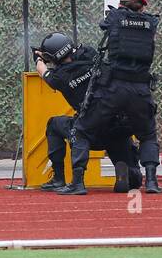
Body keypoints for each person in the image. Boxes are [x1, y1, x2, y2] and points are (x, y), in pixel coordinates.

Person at [65, 0, 162, 194]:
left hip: (114, 88)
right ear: (141, 6)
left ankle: (77, 183)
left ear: (122, 3)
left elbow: (105, 26)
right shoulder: (151, 23)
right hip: (141, 89)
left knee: (82, 129)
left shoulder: (115, 17)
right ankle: (152, 182)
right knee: (147, 135)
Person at [34, 33, 141, 194]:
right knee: (135, 182)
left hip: (90, 132)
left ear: (52, 58)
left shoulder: (60, 77)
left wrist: (40, 59)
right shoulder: (91, 54)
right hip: (117, 127)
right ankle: (131, 173)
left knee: (55, 125)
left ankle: (60, 179)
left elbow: (44, 72)